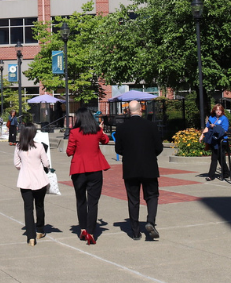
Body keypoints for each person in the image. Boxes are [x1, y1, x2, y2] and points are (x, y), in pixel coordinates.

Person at [114, 100, 163, 240]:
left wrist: (129, 154)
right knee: (152, 195)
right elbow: (159, 147)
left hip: (130, 167)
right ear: (141, 109)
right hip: (149, 166)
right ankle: (150, 221)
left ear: (128, 111)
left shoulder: (122, 127)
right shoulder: (151, 126)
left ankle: (135, 231)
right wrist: (150, 155)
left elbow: (118, 149)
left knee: (133, 199)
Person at [65, 107, 111, 245]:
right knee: (93, 202)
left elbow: (69, 151)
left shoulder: (74, 132)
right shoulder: (96, 131)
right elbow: (105, 141)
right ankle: (91, 232)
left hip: (79, 169)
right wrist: (101, 130)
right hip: (95, 168)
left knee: (81, 201)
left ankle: (83, 229)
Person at [13, 125, 50, 246]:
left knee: (28, 208)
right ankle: (40, 229)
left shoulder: (19, 146)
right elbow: (46, 163)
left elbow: (16, 163)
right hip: (39, 180)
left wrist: (24, 168)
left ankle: (31, 236)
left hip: (25, 181)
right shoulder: (39, 146)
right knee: (40, 205)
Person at [200, 104, 230, 181]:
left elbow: (224, 130)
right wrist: (202, 135)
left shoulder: (224, 119)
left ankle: (224, 173)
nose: (218, 111)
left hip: (221, 140)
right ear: (214, 111)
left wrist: (215, 127)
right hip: (214, 140)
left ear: (222, 111)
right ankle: (213, 175)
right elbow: (207, 127)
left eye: (220, 110)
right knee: (215, 158)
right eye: (217, 110)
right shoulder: (212, 118)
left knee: (221, 158)